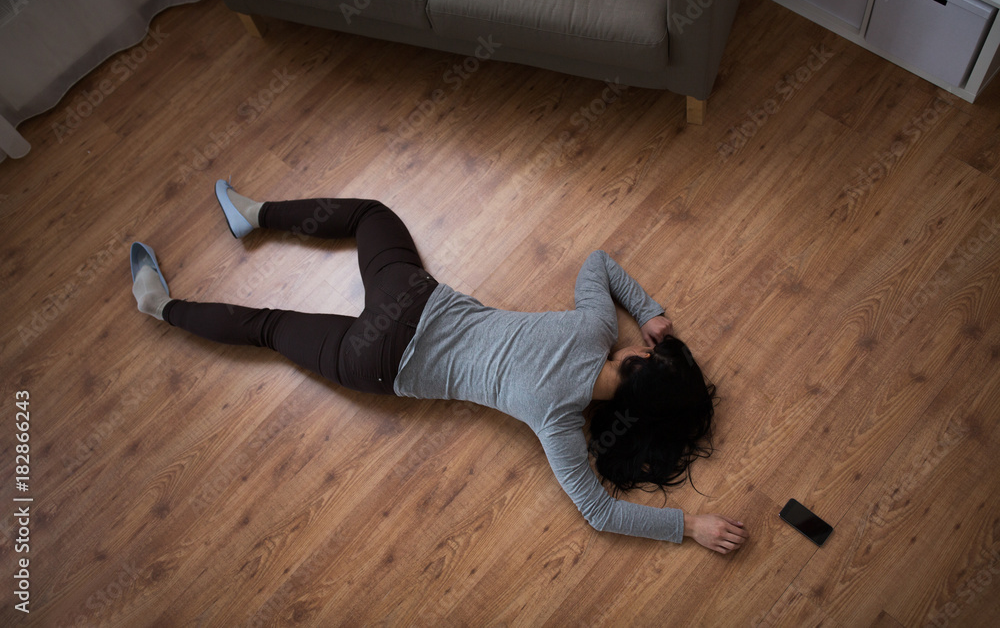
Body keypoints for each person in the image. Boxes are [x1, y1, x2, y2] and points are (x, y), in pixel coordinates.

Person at [129, 180, 748, 554]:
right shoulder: (559, 421)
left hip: (412, 299)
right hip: (376, 364)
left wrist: (648, 310)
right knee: (267, 328)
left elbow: (598, 262)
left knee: (371, 215)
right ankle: (163, 306)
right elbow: (600, 513)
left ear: (642, 354)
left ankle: (255, 212)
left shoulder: (594, 328)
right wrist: (688, 526)